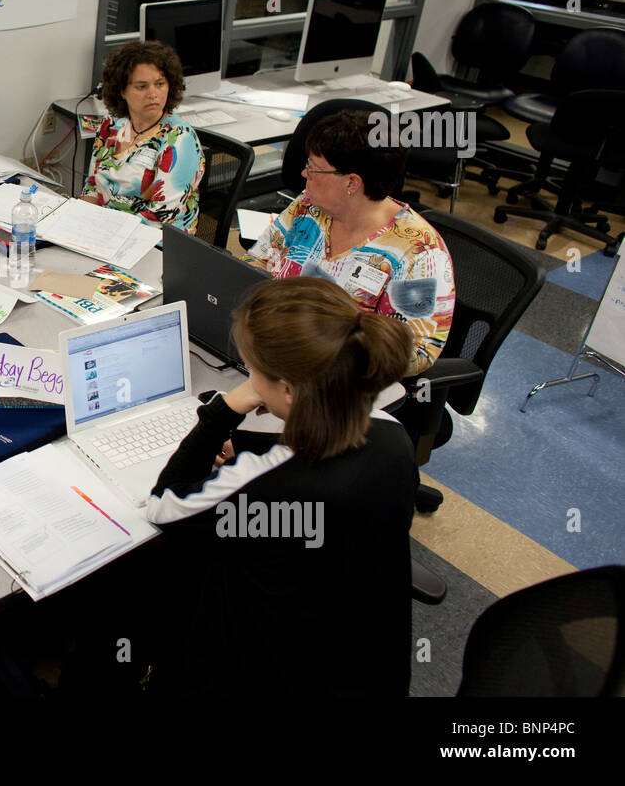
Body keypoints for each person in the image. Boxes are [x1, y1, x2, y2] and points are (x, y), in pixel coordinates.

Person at [146, 277, 418, 696]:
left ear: (287, 390)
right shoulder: (393, 435)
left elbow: (164, 506)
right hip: (361, 658)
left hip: (262, 669)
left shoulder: (268, 483)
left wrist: (224, 410)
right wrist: (253, 448)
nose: (250, 380)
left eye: (253, 371)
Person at [244, 108, 454, 376]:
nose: (304, 173)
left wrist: (320, 347)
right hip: (276, 354)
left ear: (352, 183)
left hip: (341, 383)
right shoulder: (309, 208)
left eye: (313, 167)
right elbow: (256, 260)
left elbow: (416, 353)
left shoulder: (419, 252)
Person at [81, 40, 206, 232]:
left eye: (160, 84)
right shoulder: (112, 124)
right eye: (142, 86)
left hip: (155, 243)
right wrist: (74, 219)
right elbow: (93, 189)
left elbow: (159, 220)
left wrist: (101, 232)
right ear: (122, 90)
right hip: (105, 230)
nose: (153, 94)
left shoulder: (180, 139)